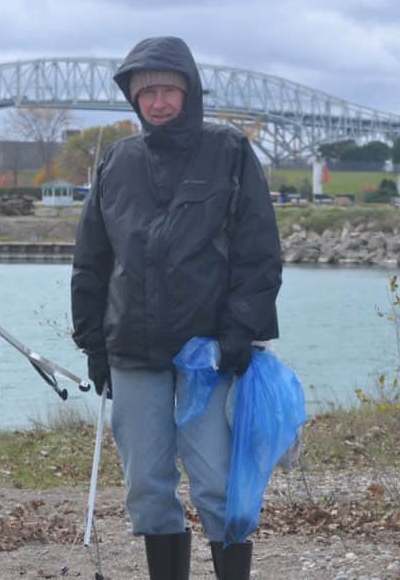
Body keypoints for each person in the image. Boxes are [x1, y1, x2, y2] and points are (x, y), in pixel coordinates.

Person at [71, 37, 282, 580]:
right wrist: (94, 343)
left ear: (189, 92)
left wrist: (240, 333)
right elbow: (92, 260)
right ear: (133, 101)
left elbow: (259, 254)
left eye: (168, 90)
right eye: (147, 94)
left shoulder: (230, 151)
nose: (159, 102)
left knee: (216, 482)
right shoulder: (117, 162)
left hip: (207, 353)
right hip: (132, 352)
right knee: (147, 486)